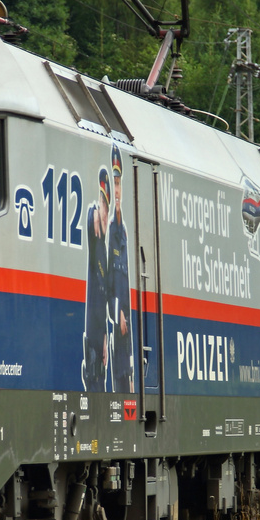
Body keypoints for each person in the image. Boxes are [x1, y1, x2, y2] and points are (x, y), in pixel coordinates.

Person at [82, 166, 111, 391]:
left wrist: (105, 338)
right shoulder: (95, 238)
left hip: (98, 339)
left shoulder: (105, 251)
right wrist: (95, 212)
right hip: (90, 343)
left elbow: (103, 301)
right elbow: (91, 220)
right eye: (103, 206)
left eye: (107, 210)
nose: (104, 213)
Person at [107, 147, 134, 392]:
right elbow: (104, 284)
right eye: (113, 183)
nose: (117, 190)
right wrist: (119, 313)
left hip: (129, 338)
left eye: (119, 183)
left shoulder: (123, 231)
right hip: (117, 330)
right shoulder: (108, 233)